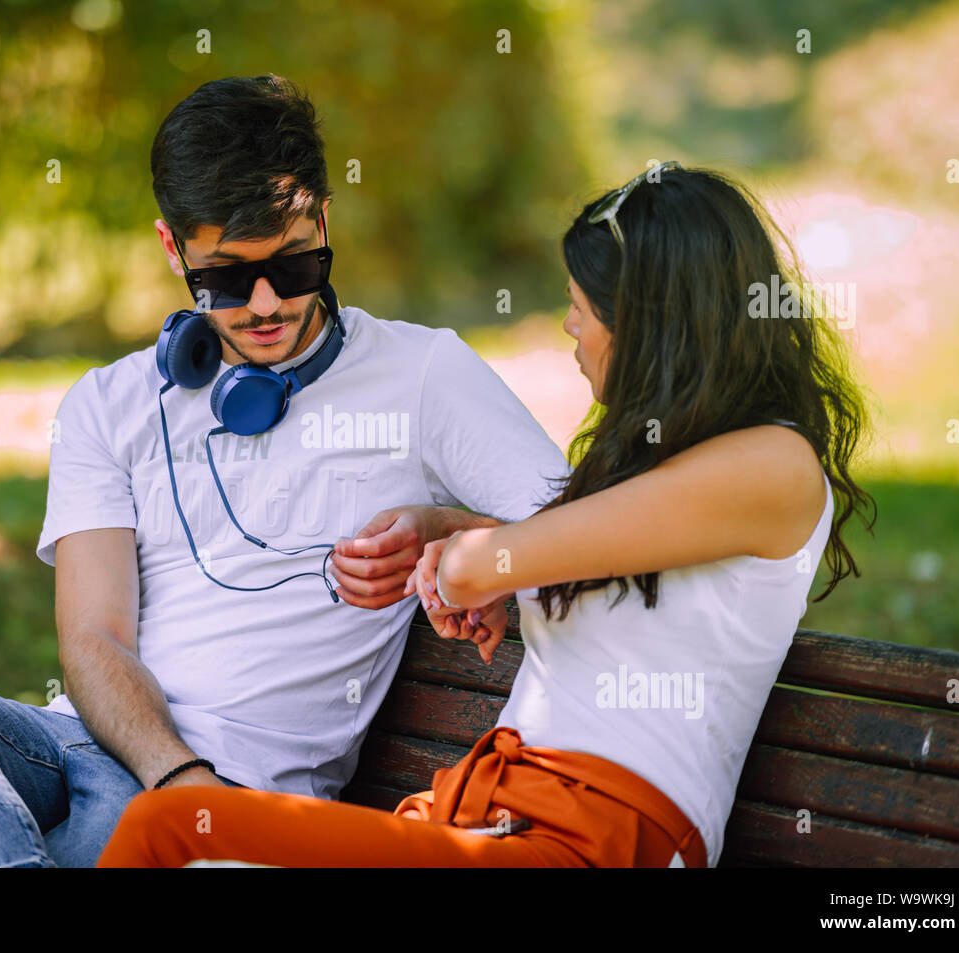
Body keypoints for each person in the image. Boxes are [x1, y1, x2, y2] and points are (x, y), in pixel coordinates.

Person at [0, 75, 570, 867]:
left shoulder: (423, 376)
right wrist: (176, 776)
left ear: (323, 216)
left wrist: (451, 527)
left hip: (242, 803)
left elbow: (587, 529)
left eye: (295, 262)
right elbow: (94, 637)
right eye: (227, 277)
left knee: (97, 842)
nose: (268, 302)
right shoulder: (108, 403)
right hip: (90, 745)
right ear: (171, 248)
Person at [96, 161, 877, 867]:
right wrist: (448, 533)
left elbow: (504, 560)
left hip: (594, 840)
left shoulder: (776, 464)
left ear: (653, 321)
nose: (571, 326)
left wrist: (467, 559)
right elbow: (574, 555)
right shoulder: (656, 474)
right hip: (489, 819)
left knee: (177, 827)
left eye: (581, 306)